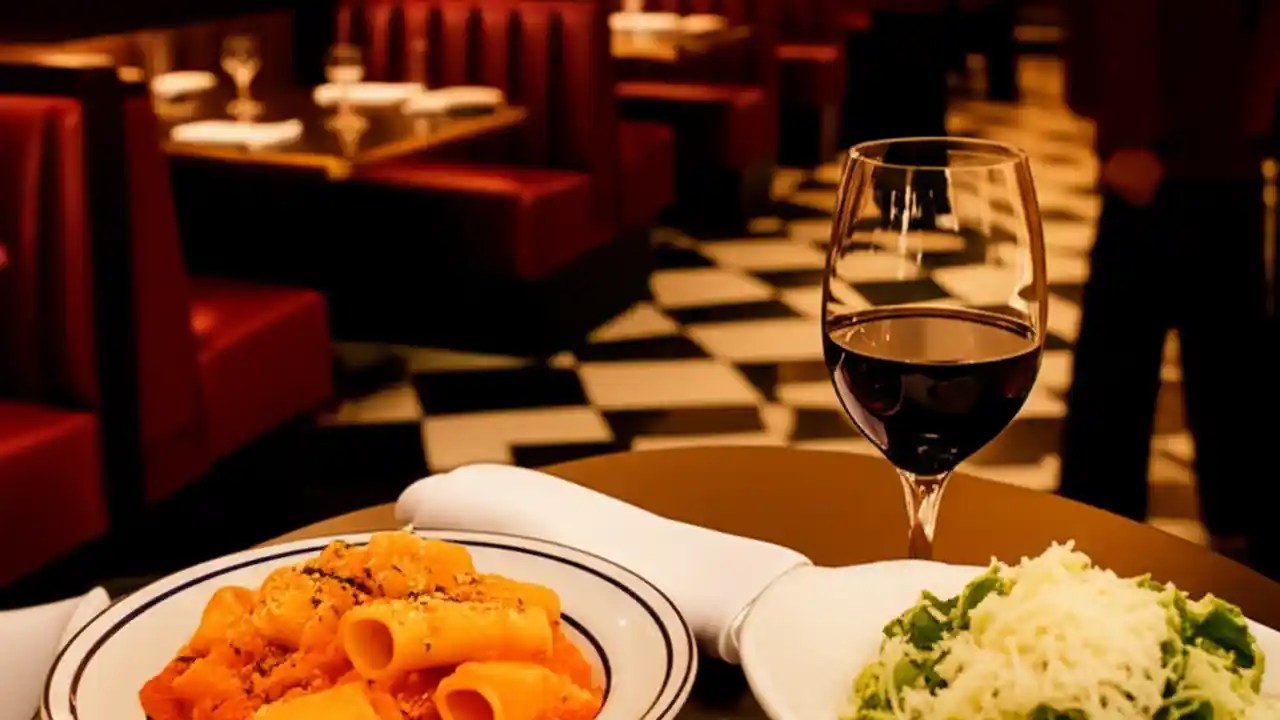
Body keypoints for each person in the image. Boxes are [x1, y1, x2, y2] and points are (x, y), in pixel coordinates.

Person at [1060, 0, 1280, 568]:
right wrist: (1128, 131)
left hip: (1222, 136)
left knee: (1233, 363)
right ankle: (1093, 541)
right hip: (1171, 147)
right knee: (1124, 369)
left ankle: (1241, 538)